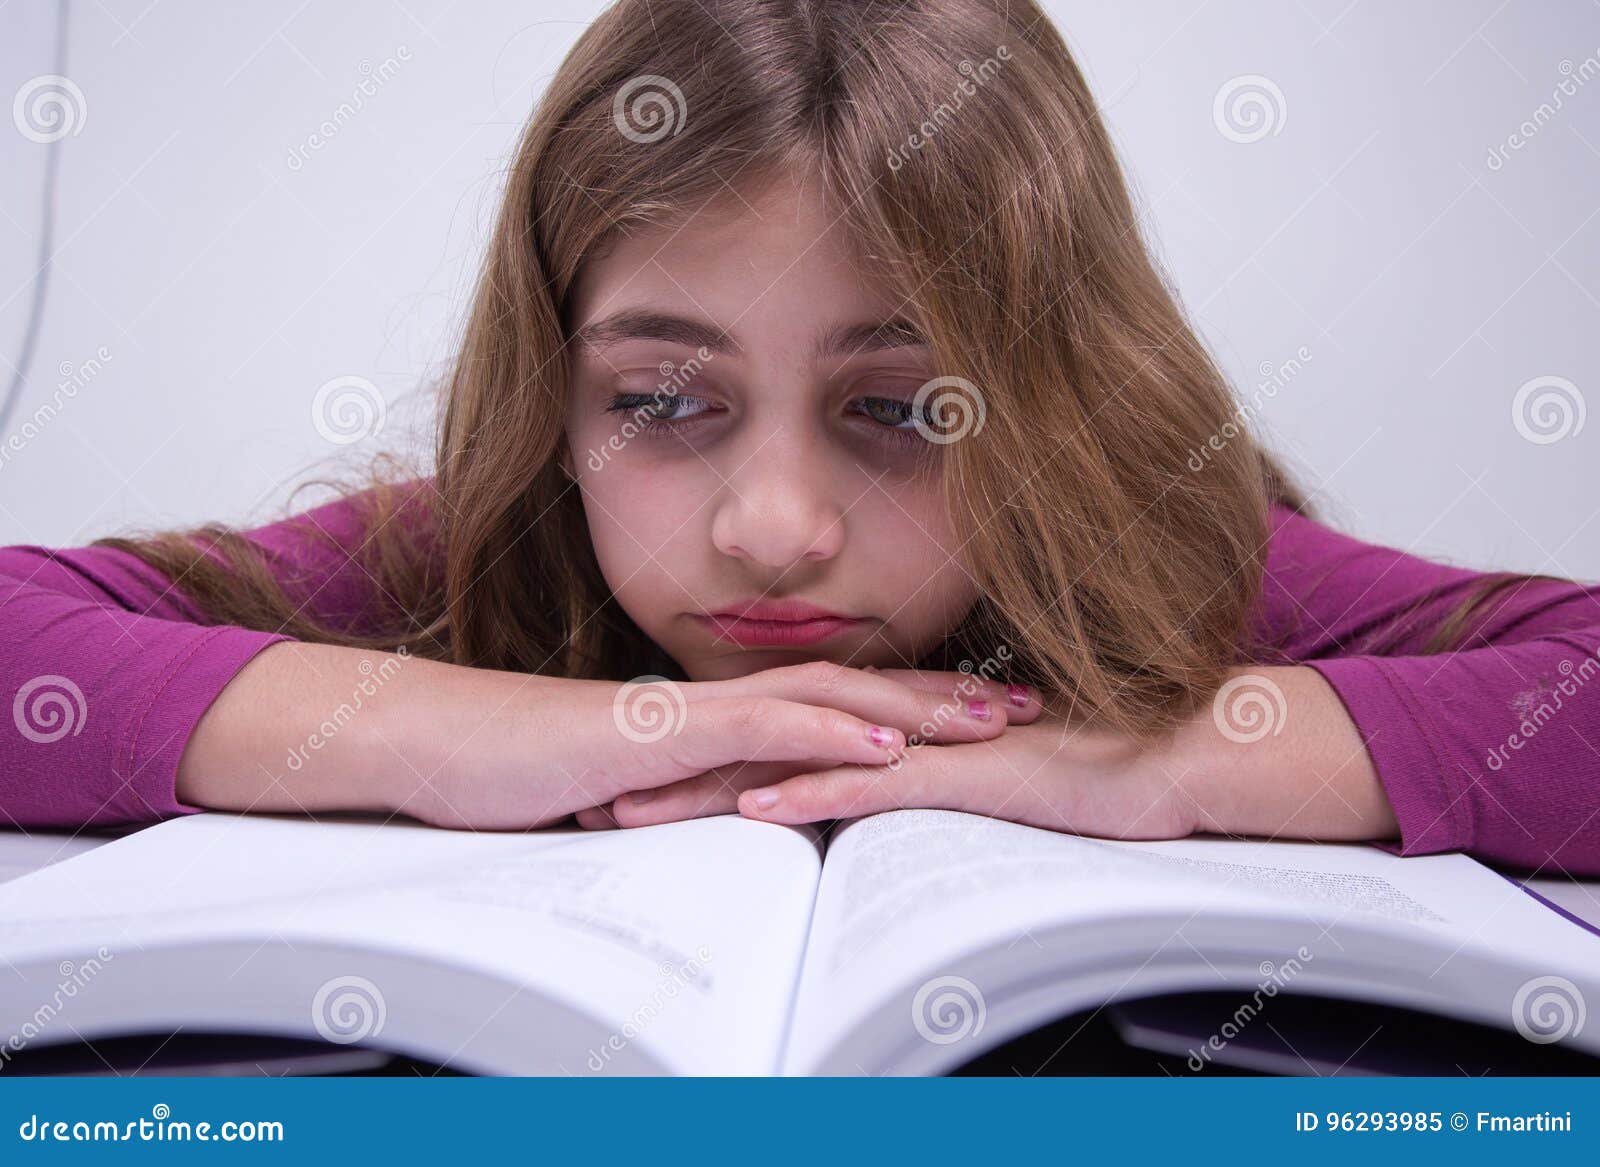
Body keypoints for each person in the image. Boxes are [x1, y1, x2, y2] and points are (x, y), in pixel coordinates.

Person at [3, 0, 1596, 876]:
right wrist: (472, 731)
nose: (773, 526)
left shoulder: (1149, 560)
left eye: (903, 411)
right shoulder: (488, 545)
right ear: (554, 394)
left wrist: (1152, 764)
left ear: (1052, 405)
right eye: (660, 404)